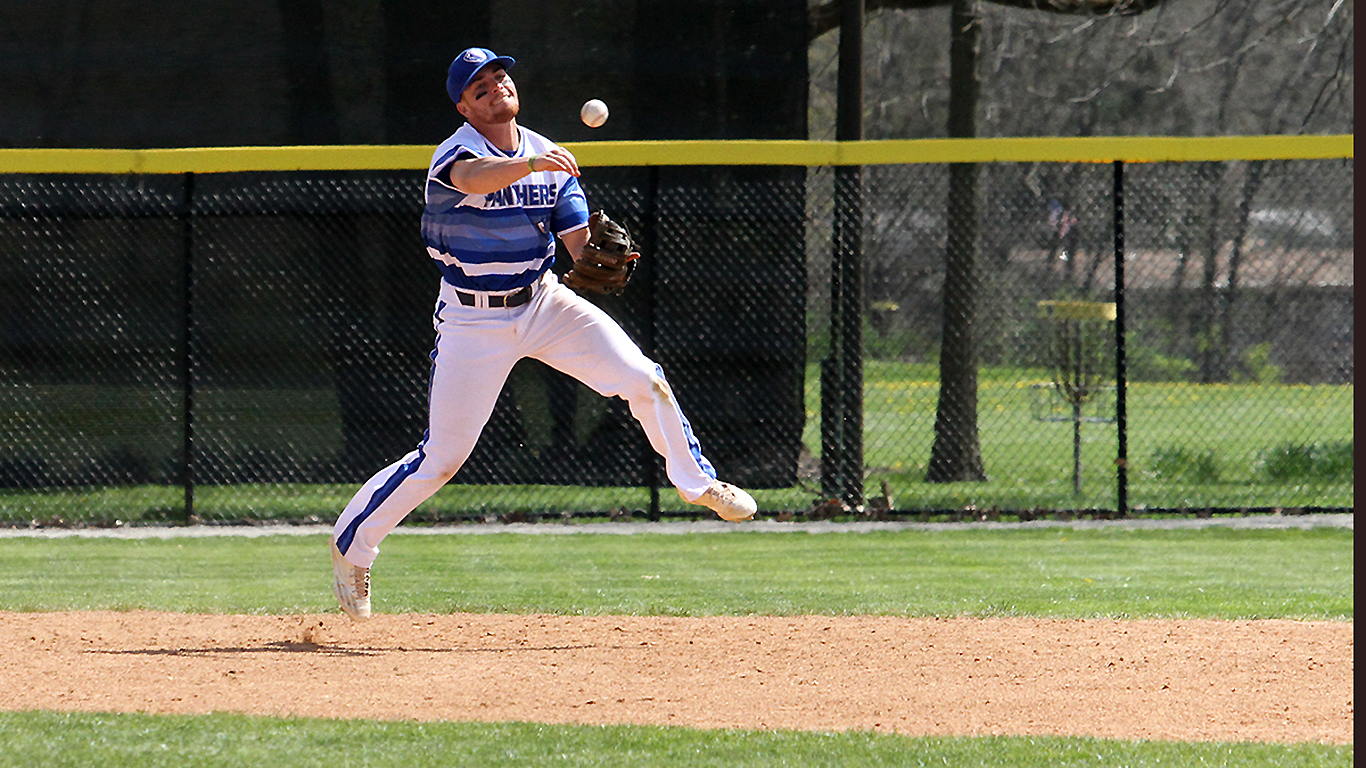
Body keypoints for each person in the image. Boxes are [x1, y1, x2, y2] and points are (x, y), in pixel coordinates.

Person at [329, 47, 757, 621]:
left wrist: (600, 256)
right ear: (463, 106)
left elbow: (578, 244)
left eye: (499, 77)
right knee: (442, 459)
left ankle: (698, 483)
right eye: (478, 87)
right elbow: (474, 179)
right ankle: (352, 547)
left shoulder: (551, 160)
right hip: (472, 318)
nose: (494, 87)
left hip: (543, 300)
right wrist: (534, 166)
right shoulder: (458, 153)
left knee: (642, 379)